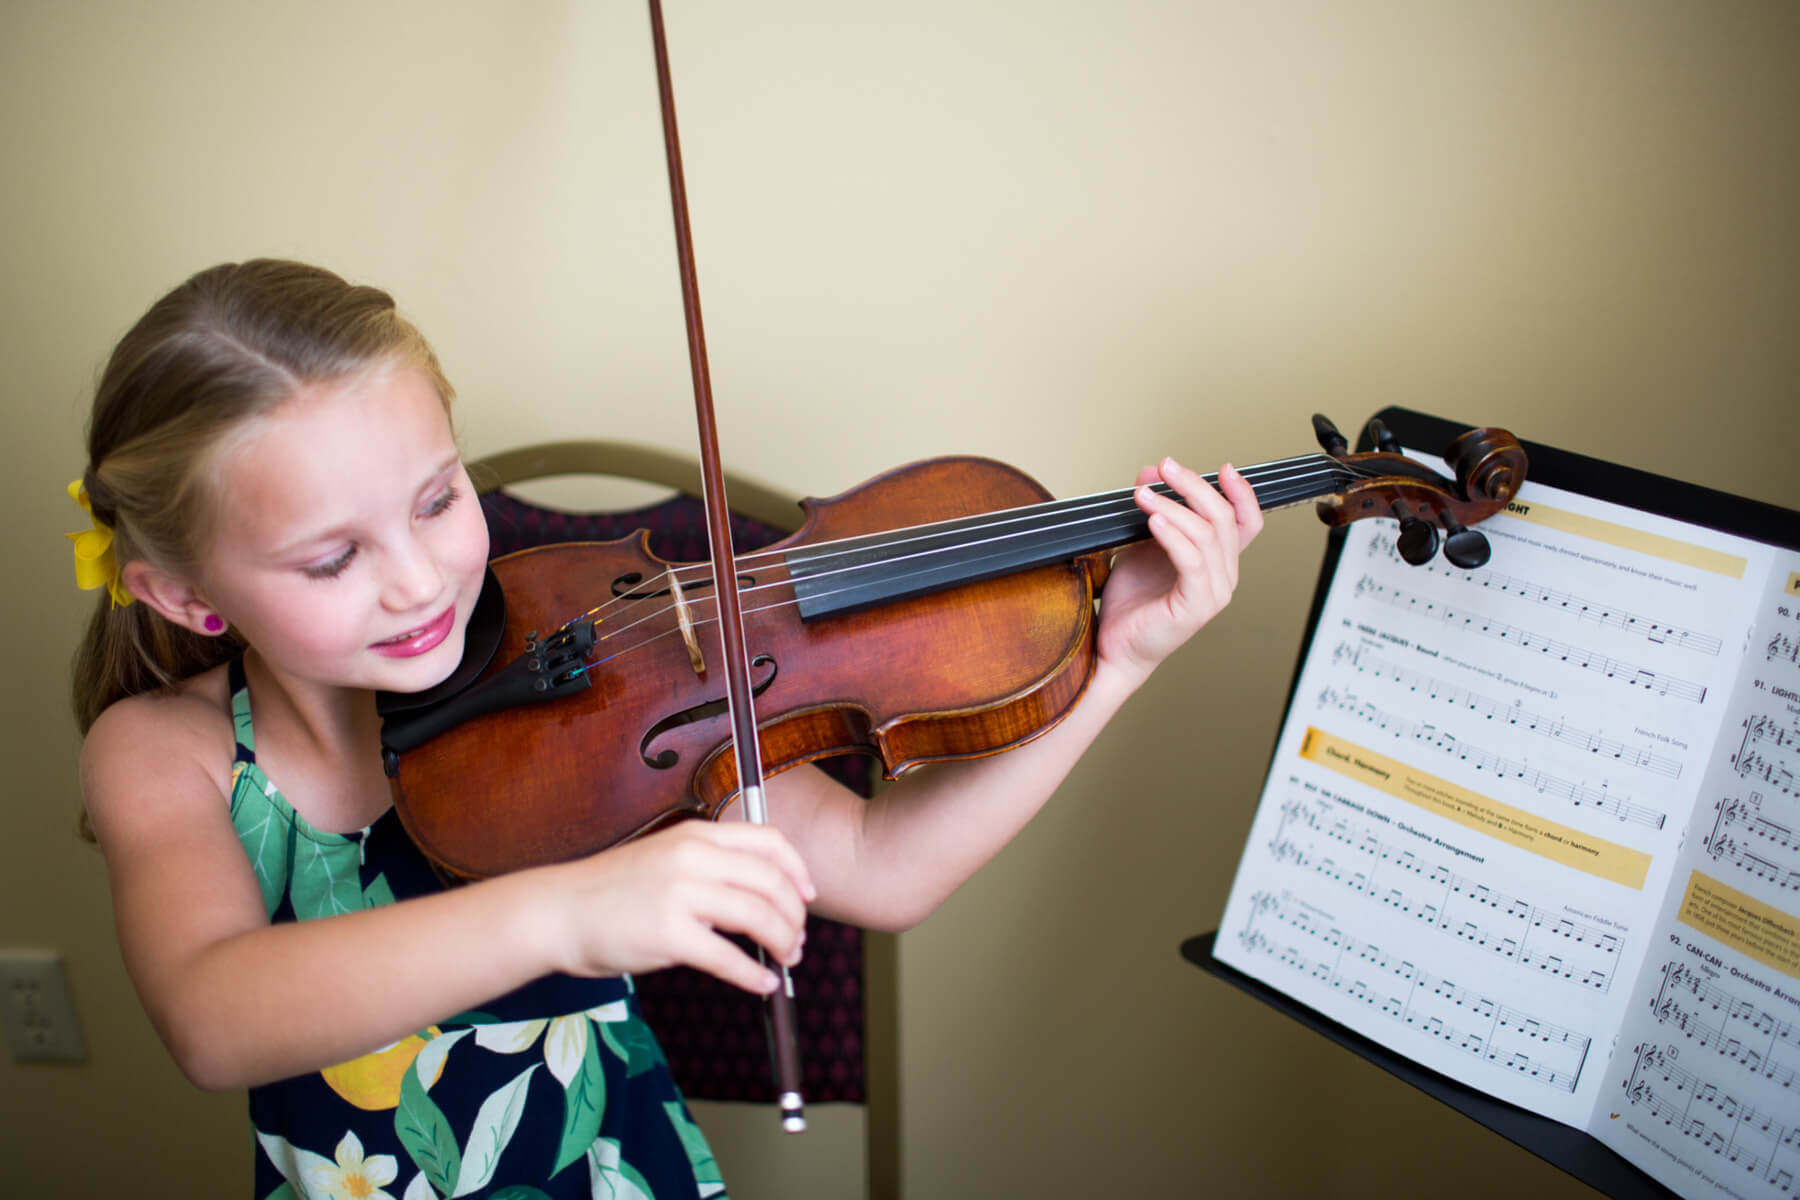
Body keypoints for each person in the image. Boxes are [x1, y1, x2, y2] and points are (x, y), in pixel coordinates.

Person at [70, 258, 1262, 1199]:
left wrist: (1115, 662)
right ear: (186, 595)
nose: (419, 581)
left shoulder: (589, 660)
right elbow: (213, 1019)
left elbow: (878, 867)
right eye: (333, 557)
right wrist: (570, 909)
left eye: (439, 500)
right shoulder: (166, 755)